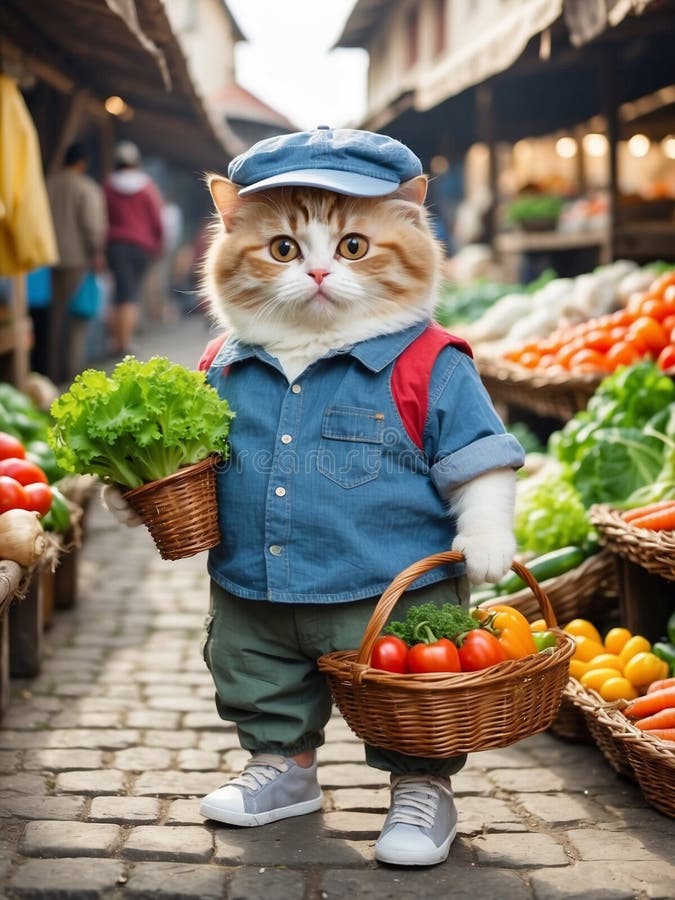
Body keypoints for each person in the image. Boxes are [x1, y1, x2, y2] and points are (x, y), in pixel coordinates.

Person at [104, 127, 524, 868]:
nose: (321, 271)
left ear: (409, 223)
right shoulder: (223, 363)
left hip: (390, 596)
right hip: (254, 588)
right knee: (253, 671)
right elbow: (188, 462)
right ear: (230, 234)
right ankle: (283, 768)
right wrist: (141, 482)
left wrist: (486, 523)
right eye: (284, 249)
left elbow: (478, 460)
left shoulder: (429, 361)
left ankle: (421, 785)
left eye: (353, 246)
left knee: (410, 692)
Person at [45, 140, 107, 382]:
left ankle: (51, 370)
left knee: (54, 317)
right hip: (77, 259)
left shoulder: (49, 184)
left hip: (50, 259)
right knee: (77, 319)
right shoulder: (86, 188)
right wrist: (97, 252)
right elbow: (93, 226)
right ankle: (72, 373)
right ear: (83, 163)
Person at [104, 141, 164, 356]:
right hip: (142, 247)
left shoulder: (108, 186)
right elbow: (157, 220)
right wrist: (159, 245)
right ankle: (125, 341)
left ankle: (117, 341)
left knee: (120, 293)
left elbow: (103, 217)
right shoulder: (147, 187)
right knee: (131, 293)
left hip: (117, 247)